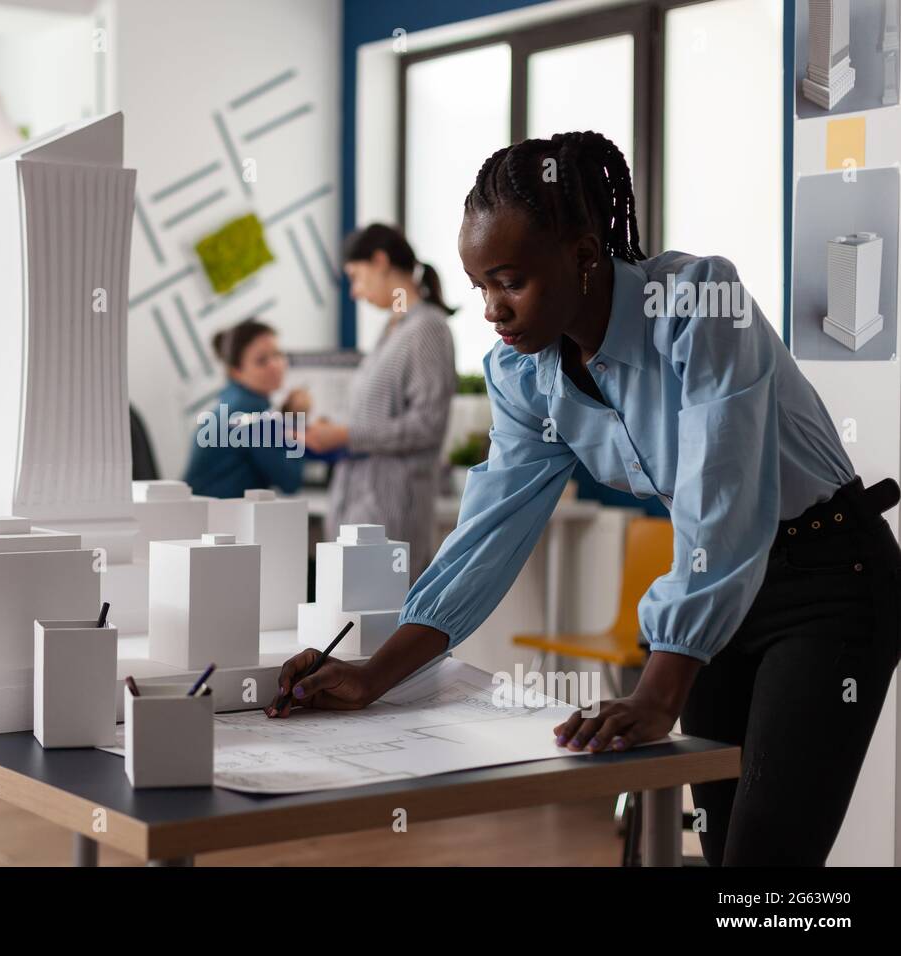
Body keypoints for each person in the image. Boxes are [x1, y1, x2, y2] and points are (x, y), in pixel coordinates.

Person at [271, 131, 901, 866]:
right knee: (728, 849)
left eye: (509, 281)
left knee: (767, 867)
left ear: (582, 254)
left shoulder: (700, 305)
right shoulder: (524, 374)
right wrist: (375, 673)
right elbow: (489, 533)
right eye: (480, 287)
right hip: (726, 597)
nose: (493, 311)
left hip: (829, 582)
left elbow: (719, 497)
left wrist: (658, 692)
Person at [304, 224, 457, 577]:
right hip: (358, 507)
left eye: (356, 277)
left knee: (382, 624)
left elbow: (427, 426)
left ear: (380, 261)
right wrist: (338, 430)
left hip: (390, 516)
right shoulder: (393, 329)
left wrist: (346, 435)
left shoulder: (428, 329)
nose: (355, 292)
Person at [183, 318, 309, 498]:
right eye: (261, 361)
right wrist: (295, 417)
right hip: (217, 522)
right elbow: (290, 481)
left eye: (278, 354)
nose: (275, 365)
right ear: (236, 371)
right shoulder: (248, 414)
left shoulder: (232, 401)